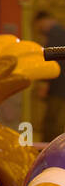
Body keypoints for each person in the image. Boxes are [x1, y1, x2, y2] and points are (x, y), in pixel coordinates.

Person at [33, 10, 65, 142]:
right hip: (60, 86)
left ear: (44, 21)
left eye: (40, 26)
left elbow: (52, 60)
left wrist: (44, 83)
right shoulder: (61, 32)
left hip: (57, 87)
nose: (41, 30)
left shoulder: (55, 33)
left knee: (53, 122)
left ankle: (49, 151)